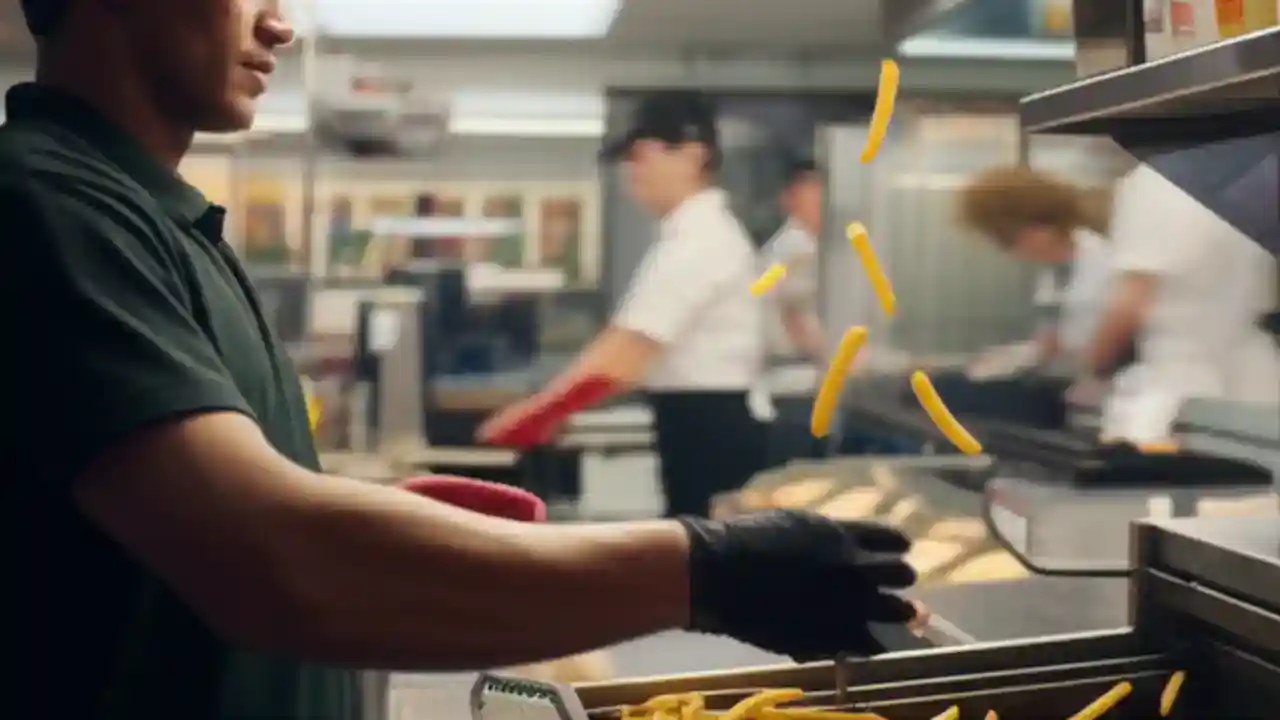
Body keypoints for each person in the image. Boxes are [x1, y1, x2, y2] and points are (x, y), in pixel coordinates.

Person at [0, 3, 922, 718]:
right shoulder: (49, 208)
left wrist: (383, 524)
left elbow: (184, 522)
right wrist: (711, 573)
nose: (279, 26)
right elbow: (276, 558)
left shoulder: (163, 222)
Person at [480, 92, 772, 519]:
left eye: (642, 157)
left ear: (692, 156)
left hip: (714, 426)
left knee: (713, 560)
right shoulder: (686, 235)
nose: (633, 172)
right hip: (694, 420)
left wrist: (535, 415)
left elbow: (623, 356)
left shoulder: (700, 241)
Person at [1085, 163, 1279, 444]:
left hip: (1182, 387)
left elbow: (1132, 302)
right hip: (1258, 381)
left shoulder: (1154, 184)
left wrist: (1092, 366)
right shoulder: (1246, 177)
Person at [957, 166, 1117, 378]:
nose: (1011, 253)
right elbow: (1051, 345)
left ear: (1042, 226)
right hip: (1060, 378)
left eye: (1007, 240)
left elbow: (1094, 346)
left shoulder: (1108, 266)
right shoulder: (1055, 274)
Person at [760, 159, 829, 463]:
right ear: (789, 200)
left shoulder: (803, 246)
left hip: (793, 383)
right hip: (796, 386)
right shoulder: (795, 247)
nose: (820, 204)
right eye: (811, 195)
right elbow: (795, 317)